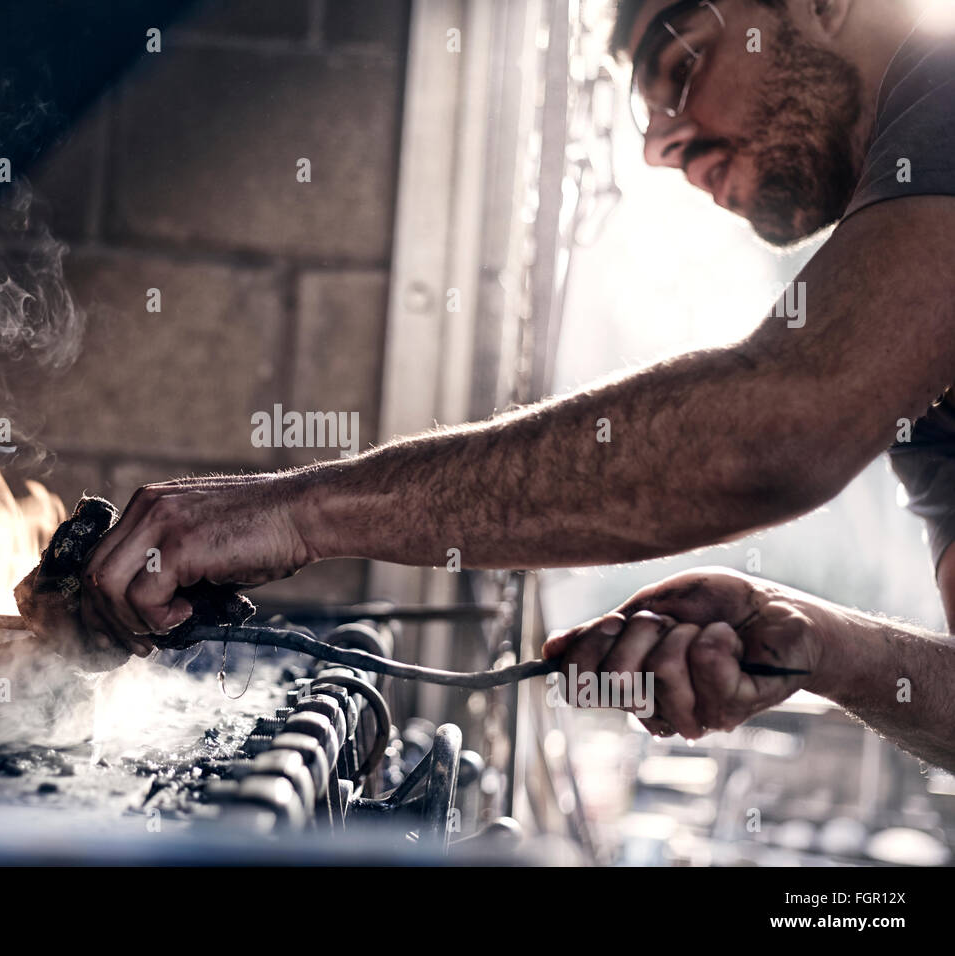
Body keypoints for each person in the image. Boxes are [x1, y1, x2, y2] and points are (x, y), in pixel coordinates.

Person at [56, 0, 955, 770]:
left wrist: (299, 512)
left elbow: (777, 429)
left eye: (681, 63)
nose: (657, 145)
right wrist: (827, 648)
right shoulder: (922, 362)